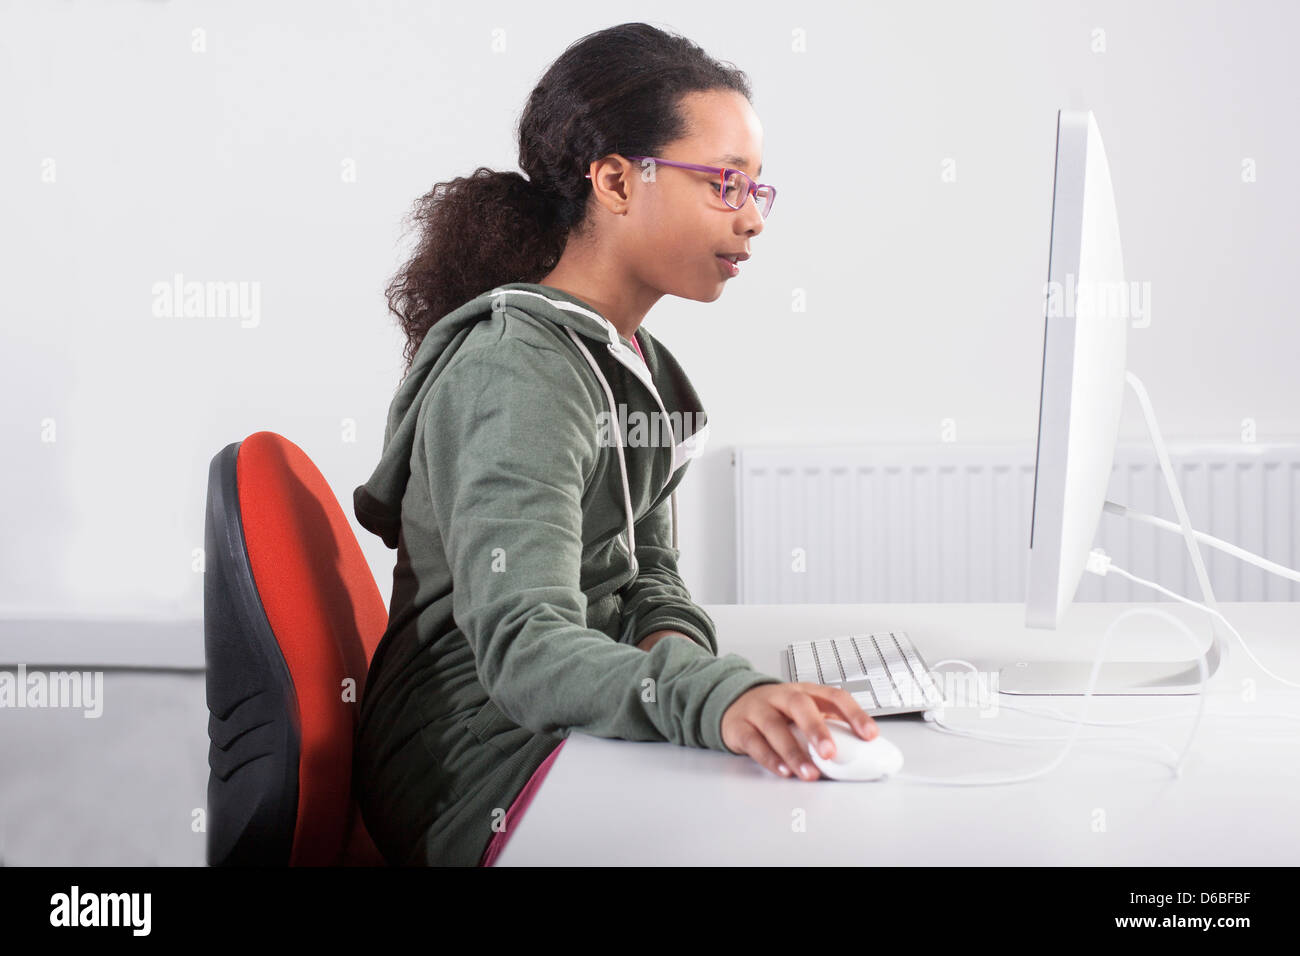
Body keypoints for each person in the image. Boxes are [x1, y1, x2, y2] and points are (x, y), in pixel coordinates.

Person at [351, 21, 877, 868]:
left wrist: (702, 682)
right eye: (724, 184)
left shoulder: (637, 364)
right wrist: (710, 699)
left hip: (561, 716)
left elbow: (648, 576)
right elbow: (525, 646)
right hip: (474, 763)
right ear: (616, 181)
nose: (752, 220)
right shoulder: (516, 372)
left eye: (757, 190)